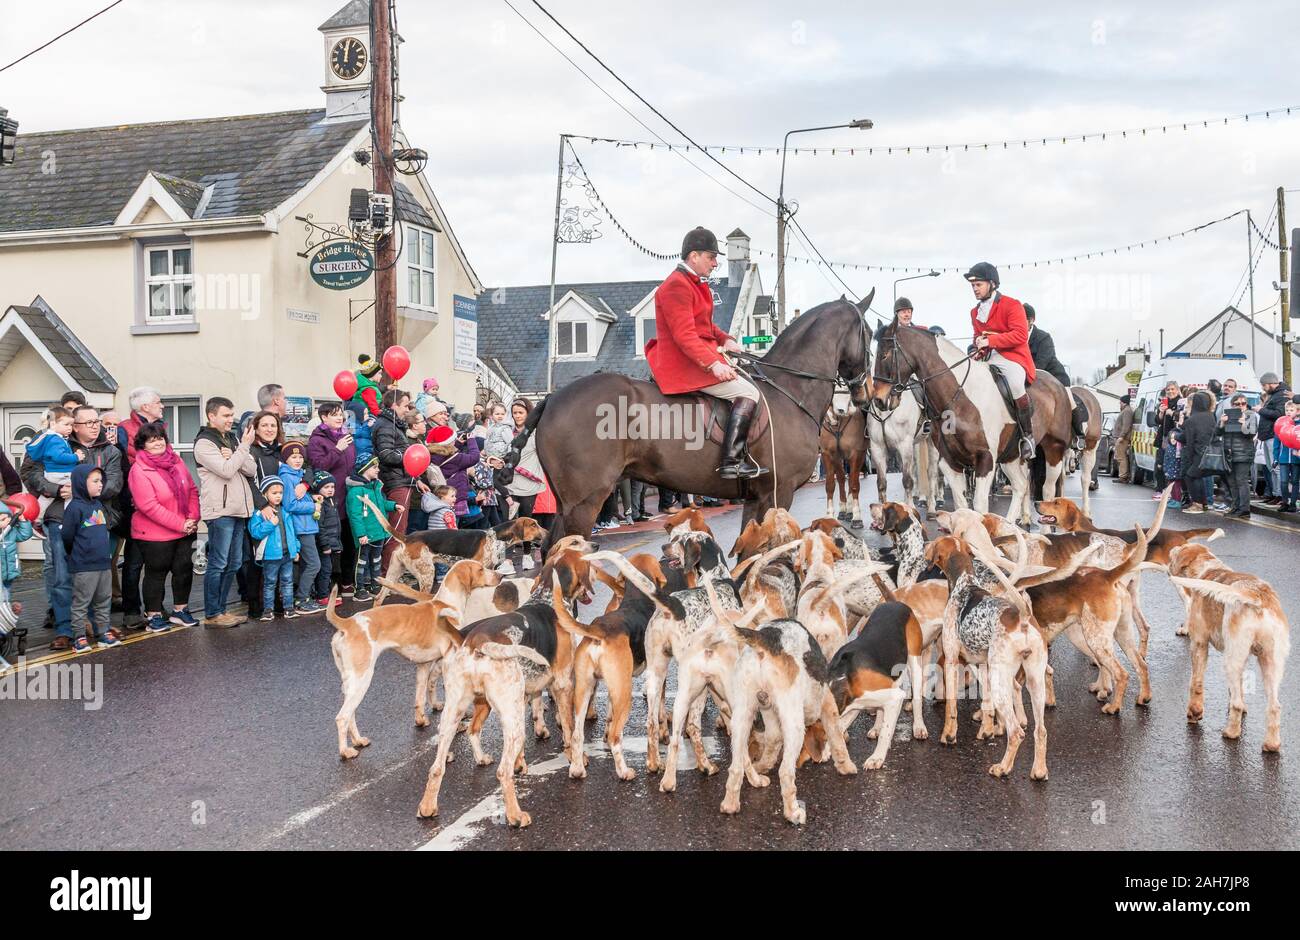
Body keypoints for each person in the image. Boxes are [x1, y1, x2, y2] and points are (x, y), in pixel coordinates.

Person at [646, 227, 765, 479]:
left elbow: (705, 325)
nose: (715, 263)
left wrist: (726, 339)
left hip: (700, 355)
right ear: (694, 256)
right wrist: (713, 364)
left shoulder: (695, 284)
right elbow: (684, 335)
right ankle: (730, 461)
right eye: (711, 257)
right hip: (683, 363)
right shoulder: (676, 286)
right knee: (749, 392)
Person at [128, 422, 200, 633]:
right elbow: (148, 506)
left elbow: (192, 490)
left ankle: (180, 610)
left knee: (184, 571)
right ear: (143, 445)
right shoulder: (139, 470)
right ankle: (153, 615)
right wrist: (181, 524)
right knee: (156, 574)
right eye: (152, 440)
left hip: (185, 529)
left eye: (160, 438)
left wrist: (193, 517)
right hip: (154, 534)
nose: (158, 442)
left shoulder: (176, 461)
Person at [193, 397, 257, 628]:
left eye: (232, 415)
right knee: (218, 563)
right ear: (212, 416)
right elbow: (227, 470)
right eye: (226, 415)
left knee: (234, 562)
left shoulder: (232, 439)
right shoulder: (204, 443)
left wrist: (237, 452)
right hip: (220, 511)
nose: (231, 420)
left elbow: (250, 468)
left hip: (239, 509)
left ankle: (221, 610)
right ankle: (212, 613)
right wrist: (241, 450)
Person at [965, 262, 1037, 462]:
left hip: (1013, 357)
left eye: (978, 284)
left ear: (992, 284)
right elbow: (977, 336)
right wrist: (976, 347)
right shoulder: (975, 312)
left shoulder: (1012, 304)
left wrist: (990, 341)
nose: (975, 289)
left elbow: (1020, 335)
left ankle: (1027, 436)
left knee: (1015, 383)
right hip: (988, 358)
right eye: (973, 286)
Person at [61, 465, 121, 650]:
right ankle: (79, 637)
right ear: (80, 483)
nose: (100, 485)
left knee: (104, 601)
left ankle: (103, 633)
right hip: (84, 566)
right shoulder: (74, 508)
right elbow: (67, 537)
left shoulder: (98, 504)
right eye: (95, 481)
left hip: (103, 564)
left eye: (101, 481)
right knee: (81, 603)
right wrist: (78, 555)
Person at [372, 387, 428, 568]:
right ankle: (388, 571)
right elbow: (386, 454)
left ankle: (392, 569)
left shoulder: (394, 424)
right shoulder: (386, 425)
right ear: (394, 405)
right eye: (405, 405)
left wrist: (416, 478)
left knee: (399, 528)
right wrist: (408, 457)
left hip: (402, 479)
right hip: (395, 481)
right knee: (396, 529)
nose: (407, 410)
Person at [239, 409, 286, 620]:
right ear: (256, 428)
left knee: (279, 555)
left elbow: (304, 466)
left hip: (281, 509)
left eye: (273, 425)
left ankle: (278, 602)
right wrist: (263, 505)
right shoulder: (252, 451)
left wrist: (304, 483)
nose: (269, 429)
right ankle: (255, 604)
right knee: (257, 558)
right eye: (265, 425)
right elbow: (248, 481)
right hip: (260, 510)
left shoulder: (281, 450)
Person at [306, 402, 356, 595]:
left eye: (341, 414)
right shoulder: (316, 440)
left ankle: (347, 582)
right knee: (332, 545)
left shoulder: (346, 436)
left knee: (349, 542)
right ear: (324, 417)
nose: (340, 418)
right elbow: (318, 467)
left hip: (348, 496)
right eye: (334, 415)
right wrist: (337, 449)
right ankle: (331, 586)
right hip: (330, 501)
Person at [1024, 305, 1088, 451]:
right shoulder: (1018, 338)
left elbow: (1041, 363)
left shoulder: (1043, 337)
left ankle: (1079, 435)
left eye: (1022, 320)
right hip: (1030, 379)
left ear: (1031, 320)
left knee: (1069, 400)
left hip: (1054, 377)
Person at [278, 441, 323, 614]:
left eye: (300, 457)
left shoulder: (299, 475)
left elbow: (300, 499)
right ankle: (302, 598)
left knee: (307, 564)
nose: (297, 460)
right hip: (301, 527)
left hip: (308, 526)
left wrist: (312, 498)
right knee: (314, 564)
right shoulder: (287, 477)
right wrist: (313, 507)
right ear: (286, 459)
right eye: (293, 457)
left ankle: (304, 596)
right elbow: (290, 505)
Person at [248, 477, 300, 621]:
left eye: (280, 493)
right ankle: (268, 610)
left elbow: (293, 532)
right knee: (270, 583)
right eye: (274, 493)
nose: (278, 496)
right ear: (264, 495)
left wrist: (296, 549)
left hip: (287, 554)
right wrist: (271, 524)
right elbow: (255, 532)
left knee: (287, 581)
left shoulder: (285, 511)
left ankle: (289, 608)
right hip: (270, 556)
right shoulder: (259, 513)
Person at [345, 455, 394, 602]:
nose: (378, 469)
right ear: (365, 469)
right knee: (362, 561)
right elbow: (355, 515)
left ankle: (375, 586)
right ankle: (359, 589)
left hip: (379, 531)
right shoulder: (356, 491)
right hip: (366, 535)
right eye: (374, 467)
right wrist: (361, 534)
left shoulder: (375, 487)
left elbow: (381, 505)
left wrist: (393, 506)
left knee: (376, 560)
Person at [26, 406, 79, 523]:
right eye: (66, 424)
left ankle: (36, 518)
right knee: (70, 495)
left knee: (46, 498)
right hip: (60, 474)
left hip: (53, 474)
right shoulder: (55, 439)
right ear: (53, 424)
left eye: (71, 425)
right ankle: (67, 520)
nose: (70, 428)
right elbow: (59, 456)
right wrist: (76, 457)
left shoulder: (52, 437)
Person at [428, 424, 482, 529]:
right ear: (448, 442)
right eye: (452, 440)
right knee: (454, 527)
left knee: (442, 526)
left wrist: (457, 444)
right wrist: (471, 440)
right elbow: (474, 457)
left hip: (441, 495)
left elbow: (446, 453)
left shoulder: (433, 454)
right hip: (454, 497)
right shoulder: (455, 459)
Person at [1175, 392, 1216, 514]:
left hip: (1197, 453)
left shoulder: (1193, 419)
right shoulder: (1210, 416)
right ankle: (1203, 503)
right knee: (1197, 476)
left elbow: (1188, 439)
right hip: (1208, 452)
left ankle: (1197, 504)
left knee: (1190, 476)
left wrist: (1176, 435)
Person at [1256, 371, 1292, 505]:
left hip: (1274, 434)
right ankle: (1276, 493)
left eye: (1264, 385)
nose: (1263, 388)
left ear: (1271, 384)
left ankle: (1281, 495)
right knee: (1271, 467)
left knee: (1275, 466)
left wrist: (1260, 410)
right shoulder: (1274, 395)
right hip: (1268, 434)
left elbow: (1280, 413)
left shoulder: (1281, 395)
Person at [1220, 392, 1258, 518]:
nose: (1241, 406)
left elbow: (1251, 433)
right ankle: (1235, 507)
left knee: (1241, 481)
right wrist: (1222, 423)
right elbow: (1216, 432)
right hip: (1229, 453)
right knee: (1232, 482)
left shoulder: (1250, 415)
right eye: (1237, 404)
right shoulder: (1226, 415)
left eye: (1243, 403)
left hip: (1244, 453)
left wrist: (1243, 424)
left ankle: (1245, 510)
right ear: (1232, 405)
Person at [310, 470, 343, 606]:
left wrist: (338, 545)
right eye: (326, 487)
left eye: (332, 487)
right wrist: (325, 545)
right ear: (319, 488)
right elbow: (320, 526)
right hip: (324, 545)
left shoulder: (332, 501)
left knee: (332, 570)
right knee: (325, 570)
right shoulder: (321, 504)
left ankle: (328, 593)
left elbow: (336, 526)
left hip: (333, 543)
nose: (330, 490)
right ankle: (322, 595)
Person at [1274, 399, 1300, 512]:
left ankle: (1293, 504)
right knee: (1283, 481)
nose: (1289, 412)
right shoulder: (1281, 424)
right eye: (1287, 410)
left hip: (1296, 459)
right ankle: (1285, 502)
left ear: (1297, 411)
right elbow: (1276, 443)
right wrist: (1275, 457)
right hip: (1283, 458)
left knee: (1295, 481)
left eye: (1291, 410)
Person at [1112, 394, 1135, 482]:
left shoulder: (1127, 411)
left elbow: (1126, 425)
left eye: (1120, 402)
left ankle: (1123, 476)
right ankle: (1123, 475)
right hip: (1121, 437)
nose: (1119, 404)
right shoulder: (1126, 410)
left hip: (1122, 438)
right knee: (1120, 457)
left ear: (1123, 402)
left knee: (1121, 457)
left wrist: (1121, 436)